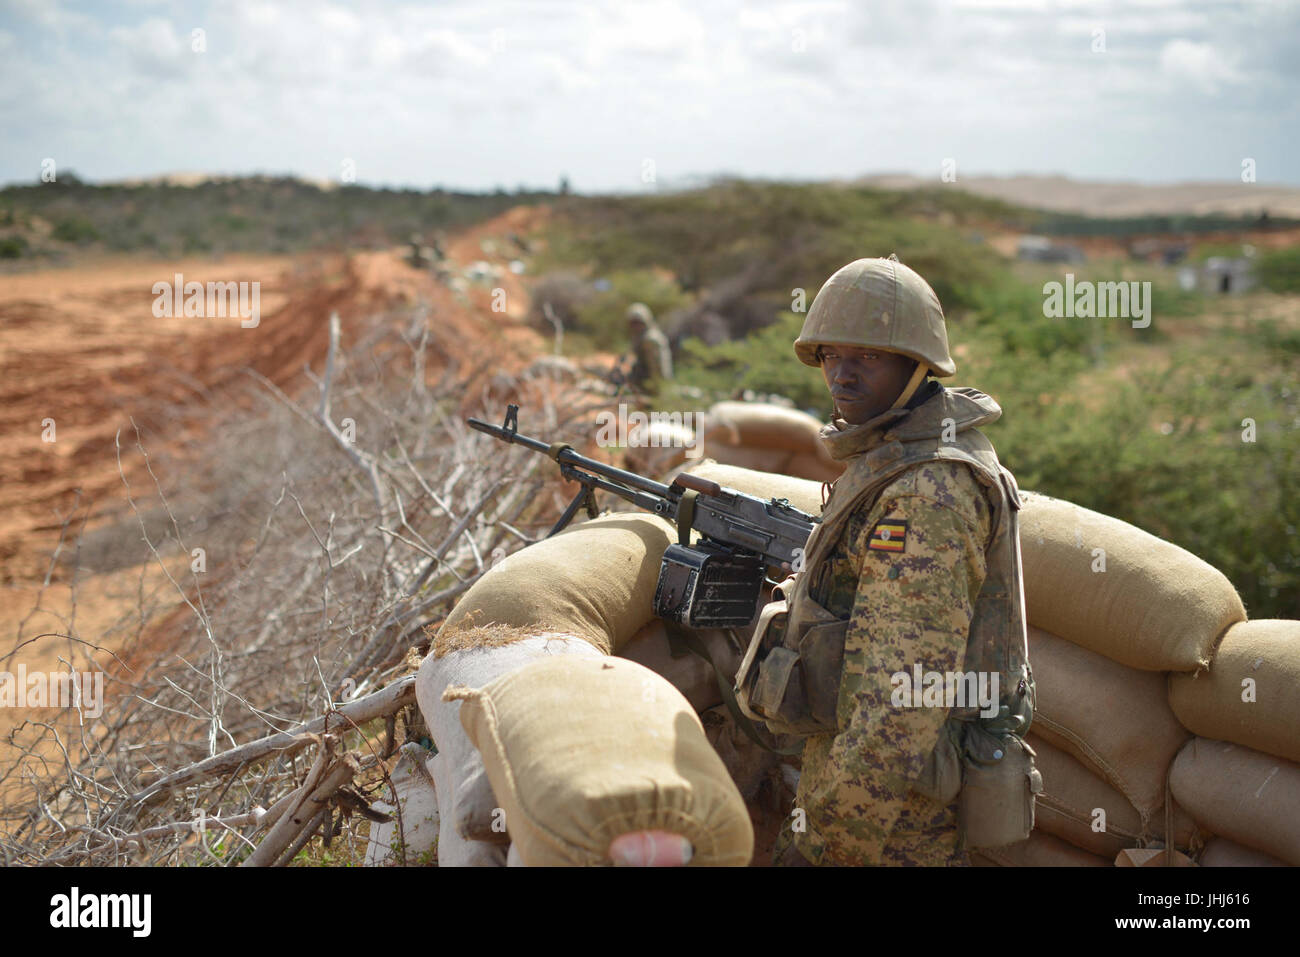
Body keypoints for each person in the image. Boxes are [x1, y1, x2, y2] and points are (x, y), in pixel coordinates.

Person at [756, 255, 1034, 866]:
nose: (842, 376)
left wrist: (825, 849)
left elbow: (900, 704)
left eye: (869, 357)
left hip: (892, 825)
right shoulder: (900, 455)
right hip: (877, 797)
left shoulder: (926, 493)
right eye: (831, 356)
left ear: (917, 367)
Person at [623, 303, 673, 392]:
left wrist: (656, 388)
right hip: (645, 382)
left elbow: (657, 369)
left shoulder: (650, 339)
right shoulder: (641, 336)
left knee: (623, 401)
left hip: (653, 386)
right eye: (633, 323)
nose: (636, 326)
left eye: (638, 322)